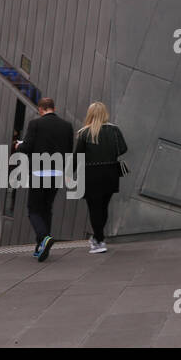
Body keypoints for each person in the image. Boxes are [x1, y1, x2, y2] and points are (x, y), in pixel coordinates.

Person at [14, 97, 74, 261]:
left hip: (39, 172)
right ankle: (40, 246)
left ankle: (43, 237)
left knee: (33, 209)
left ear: (41, 109)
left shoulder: (36, 124)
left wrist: (19, 145)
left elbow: (27, 147)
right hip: (57, 173)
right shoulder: (67, 126)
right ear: (53, 108)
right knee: (47, 208)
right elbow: (69, 152)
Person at [71, 102, 127, 254]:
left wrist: (70, 173)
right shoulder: (114, 130)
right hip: (110, 174)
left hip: (91, 175)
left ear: (90, 113)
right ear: (104, 113)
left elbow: (77, 157)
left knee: (94, 208)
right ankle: (98, 238)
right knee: (103, 207)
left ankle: (99, 241)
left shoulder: (84, 132)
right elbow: (123, 148)